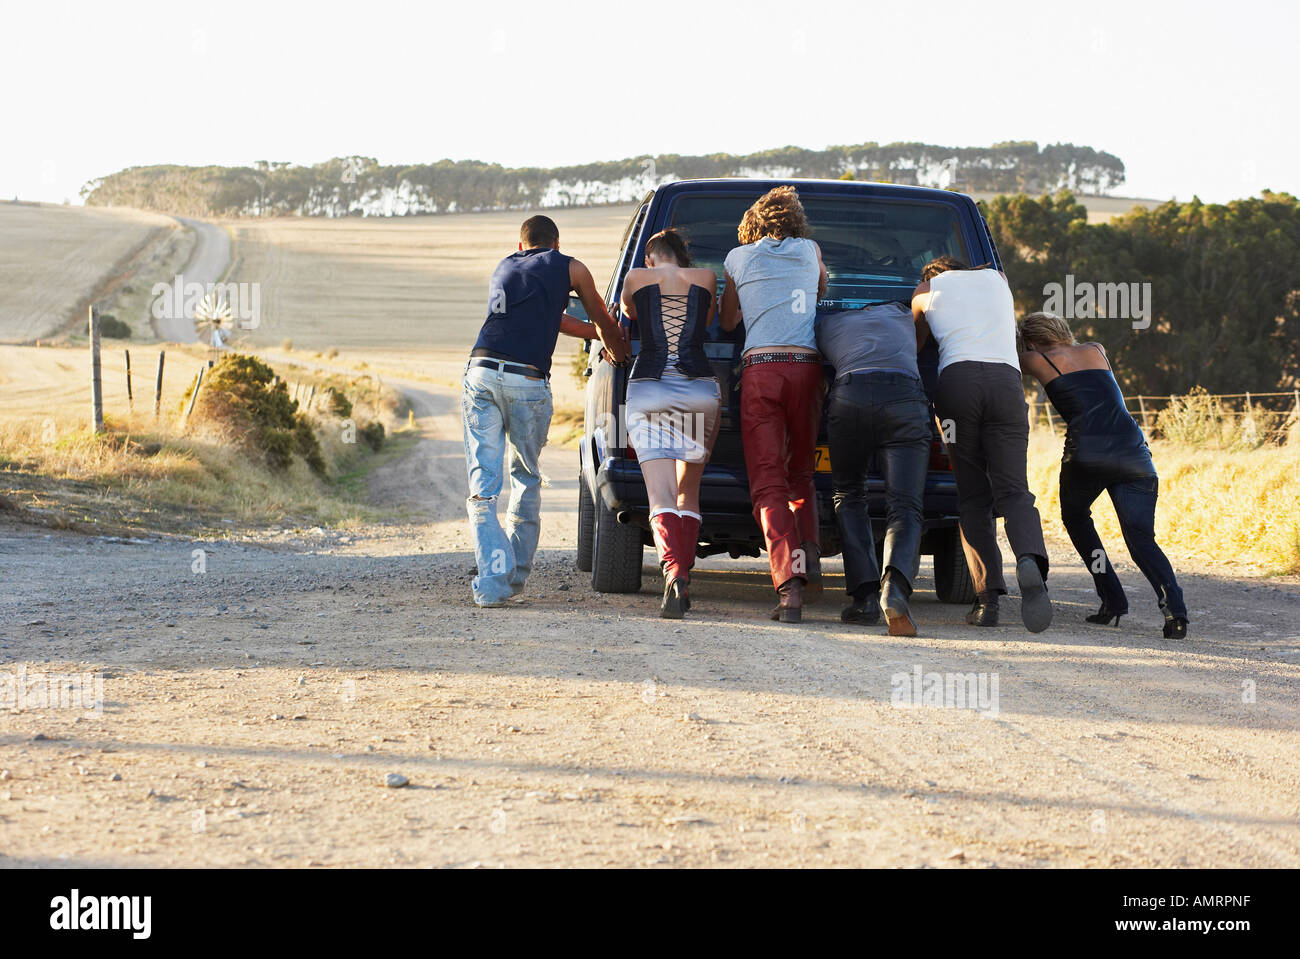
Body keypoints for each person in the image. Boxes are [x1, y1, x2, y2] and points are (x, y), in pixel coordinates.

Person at [463, 214, 627, 608]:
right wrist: (620, 354)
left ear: (522, 246)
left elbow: (546, 318)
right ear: (556, 244)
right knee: (525, 476)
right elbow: (602, 318)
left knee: (483, 489)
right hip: (526, 380)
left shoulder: (505, 265)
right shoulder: (570, 266)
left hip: (480, 373)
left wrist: (589, 333)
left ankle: (495, 578)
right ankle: (510, 578)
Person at [1018, 312, 1189, 638]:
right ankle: (1176, 614)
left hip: (1087, 455)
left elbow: (998, 357)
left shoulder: (1036, 359)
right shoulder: (1096, 349)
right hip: (1133, 452)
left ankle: (1112, 598)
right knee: (1141, 538)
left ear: (1030, 340)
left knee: (1077, 517)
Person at [911, 256, 1052, 633]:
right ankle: (1030, 560)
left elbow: (915, 345)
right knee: (1014, 491)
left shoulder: (925, 292)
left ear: (931, 274)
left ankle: (987, 601)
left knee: (974, 497)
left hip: (958, 388)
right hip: (1006, 385)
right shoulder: (996, 278)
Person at [720, 186, 828, 623]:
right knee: (801, 473)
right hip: (806, 368)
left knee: (768, 483)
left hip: (762, 370)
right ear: (795, 220)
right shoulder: (810, 250)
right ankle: (811, 555)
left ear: (754, 222)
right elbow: (821, 292)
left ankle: (789, 588)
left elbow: (728, 320)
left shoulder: (737, 258)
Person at [619, 229, 722, 619]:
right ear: (683, 256)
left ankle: (673, 574)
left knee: (659, 495)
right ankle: (685, 576)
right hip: (698, 389)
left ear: (650, 258)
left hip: (649, 389)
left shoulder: (635, 278)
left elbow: (631, 316)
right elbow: (708, 321)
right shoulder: (707, 279)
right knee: (687, 493)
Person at [816, 301, 930, 635]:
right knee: (905, 506)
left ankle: (865, 598)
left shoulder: (830, 323)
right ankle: (894, 588)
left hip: (850, 395)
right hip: (905, 399)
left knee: (848, 493)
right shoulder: (904, 317)